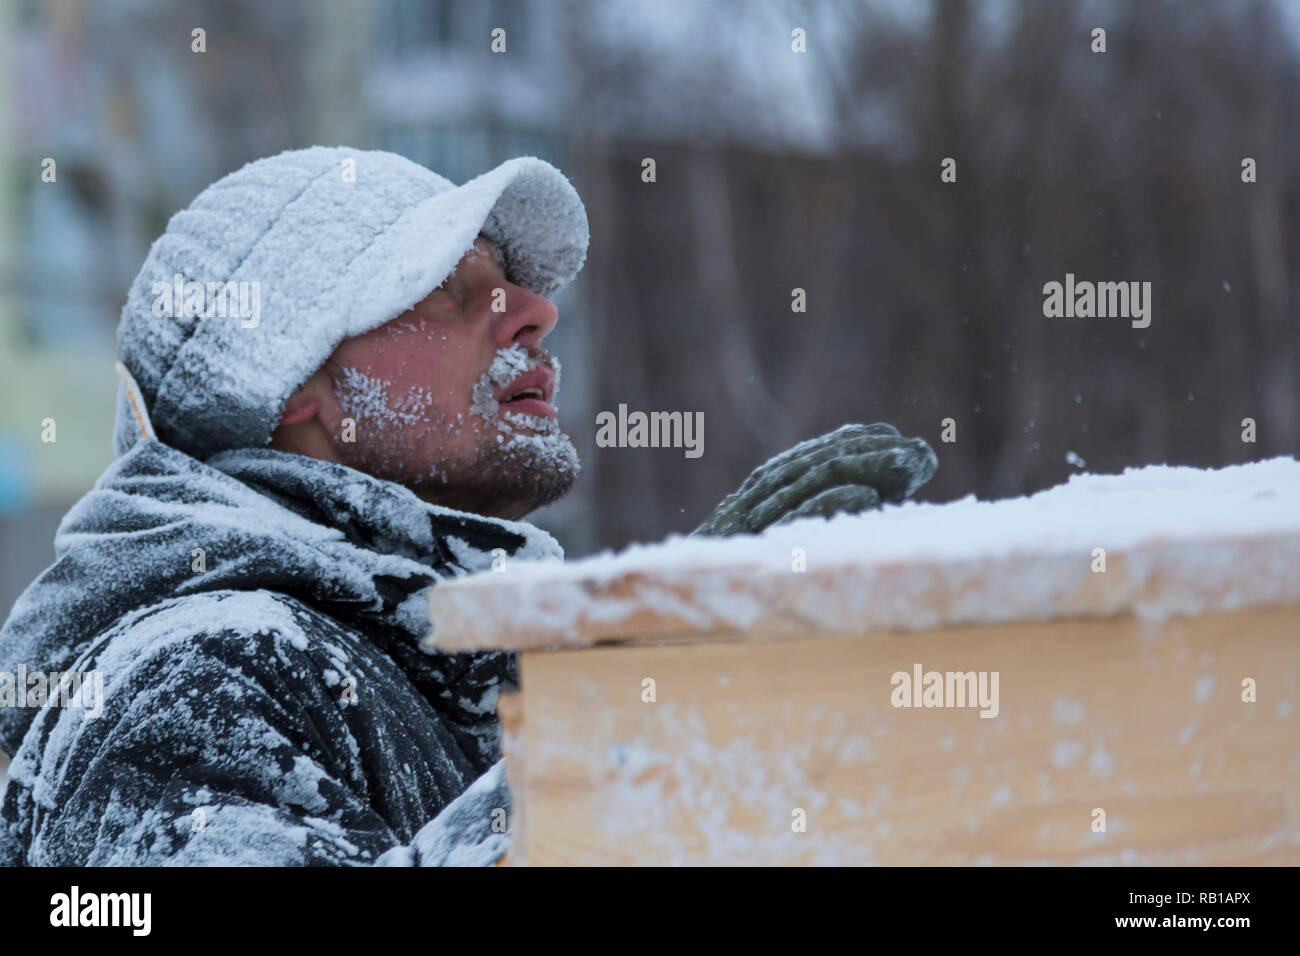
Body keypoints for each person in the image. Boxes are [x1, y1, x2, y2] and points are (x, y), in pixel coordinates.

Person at [0, 146, 936, 866]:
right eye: (455, 292)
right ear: (290, 388)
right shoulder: (191, 681)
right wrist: (629, 724)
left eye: (516, 287)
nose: (535, 313)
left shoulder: (445, 667)